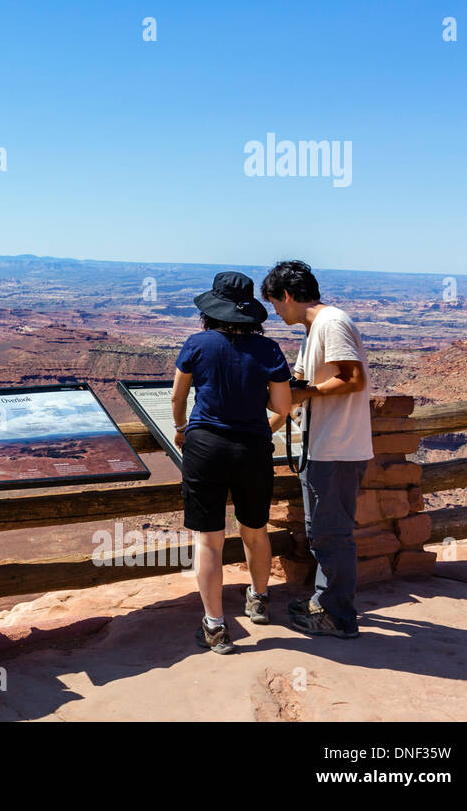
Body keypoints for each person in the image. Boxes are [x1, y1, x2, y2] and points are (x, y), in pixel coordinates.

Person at [172, 271, 294, 654]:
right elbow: (283, 406)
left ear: (211, 309)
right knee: (254, 530)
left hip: (205, 447)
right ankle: (258, 599)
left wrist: (180, 429)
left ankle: (215, 626)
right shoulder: (270, 350)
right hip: (252, 449)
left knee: (208, 540)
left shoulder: (197, 344)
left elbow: (178, 397)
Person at [260, 259, 372, 639]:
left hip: (337, 449)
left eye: (275, 303)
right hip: (325, 449)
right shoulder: (313, 332)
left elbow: (352, 379)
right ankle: (325, 602)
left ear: (288, 296)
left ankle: (337, 616)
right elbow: (296, 396)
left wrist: (305, 392)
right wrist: (262, 433)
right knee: (323, 531)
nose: (275, 312)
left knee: (332, 535)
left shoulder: (331, 323)